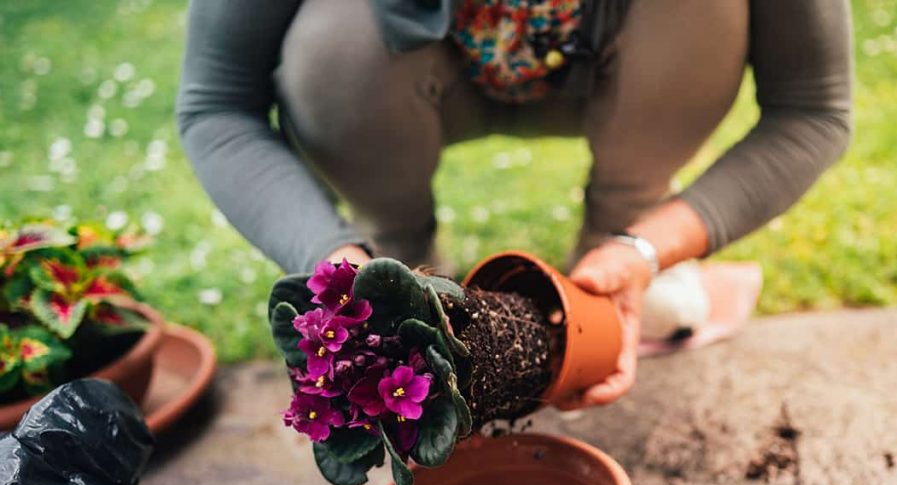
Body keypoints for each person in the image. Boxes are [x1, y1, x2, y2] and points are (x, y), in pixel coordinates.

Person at [177, 0, 851, 409]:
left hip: (624, 62)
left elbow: (812, 108)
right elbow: (216, 106)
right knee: (333, 32)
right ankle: (397, 251)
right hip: (414, 68)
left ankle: (618, 238)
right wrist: (335, 262)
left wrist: (649, 244)